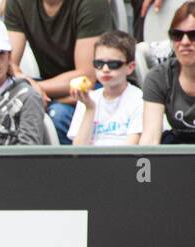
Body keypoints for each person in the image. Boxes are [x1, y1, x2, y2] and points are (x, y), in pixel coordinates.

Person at [2, 0, 113, 144]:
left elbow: (86, 77)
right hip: (50, 86)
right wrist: (29, 86)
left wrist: (32, 90)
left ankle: (68, 166)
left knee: (56, 114)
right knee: (5, 101)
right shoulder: (18, 3)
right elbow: (7, 64)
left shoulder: (91, 3)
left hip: (103, 85)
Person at [68, 30, 143, 145]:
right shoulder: (88, 99)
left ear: (130, 67)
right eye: (99, 64)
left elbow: (131, 150)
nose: (105, 69)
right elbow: (78, 151)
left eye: (113, 64)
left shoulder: (139, 99)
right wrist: (90, 108)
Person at [141, 1, 195, 144]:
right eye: (177, 35)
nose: (184, 42)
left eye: (193, 35)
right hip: (177, 149)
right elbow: (150, 138)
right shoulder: (159, 77)